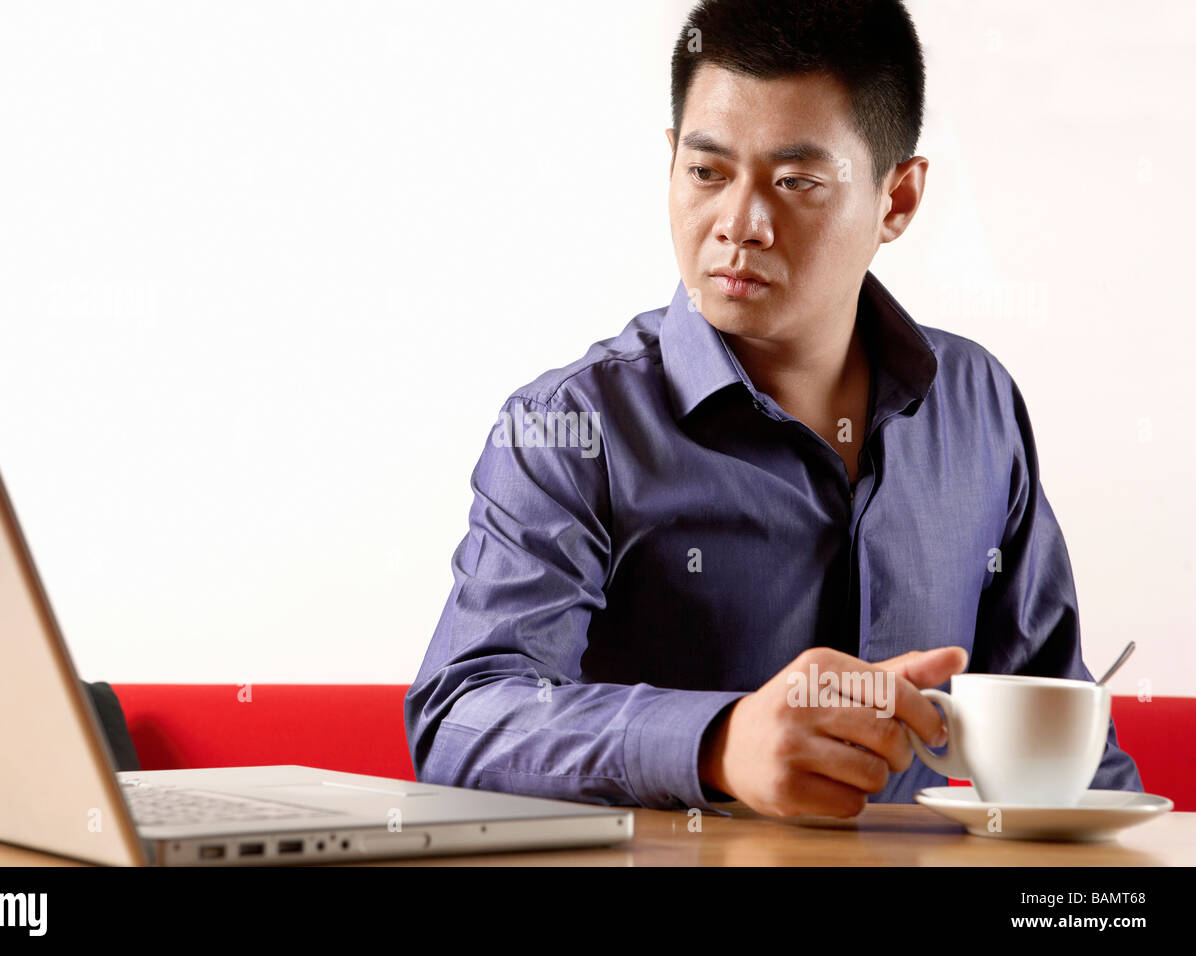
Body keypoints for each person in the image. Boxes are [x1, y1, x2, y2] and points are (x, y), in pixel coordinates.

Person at [403, 0, 1143, 819]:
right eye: (707, 171)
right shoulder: (570, 427)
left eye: (795, 182)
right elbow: (463, 715)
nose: (739, 225)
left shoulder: (977, 404)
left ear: (897, 200)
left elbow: (1055, 718)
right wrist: (719, 741)